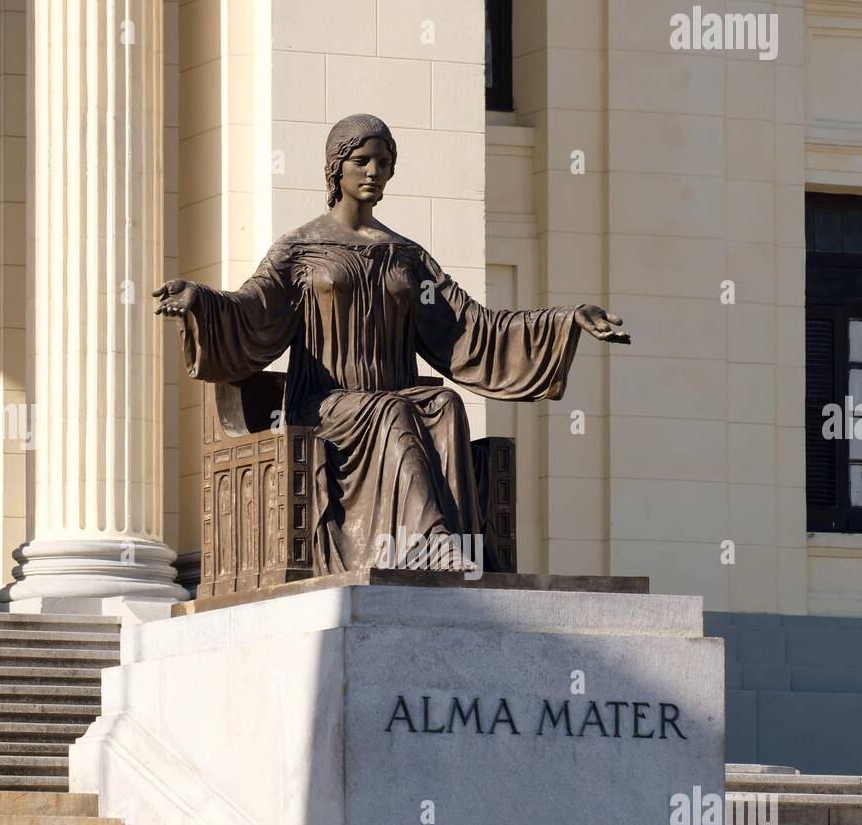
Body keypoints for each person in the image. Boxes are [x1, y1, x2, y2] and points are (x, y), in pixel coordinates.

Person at [154, 114, 629, 574]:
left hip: (389, 398)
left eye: (383, 162)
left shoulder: (406, 254)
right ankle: (428, 544)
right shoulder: (299, 249)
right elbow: (252, 308)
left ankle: (455, 546)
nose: (374, 172)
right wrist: (201, 302)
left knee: (443, 403)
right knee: (391, 412)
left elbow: (469, 328)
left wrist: (565, 320)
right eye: (361, 160)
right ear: (335, 168)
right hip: (324, 406)